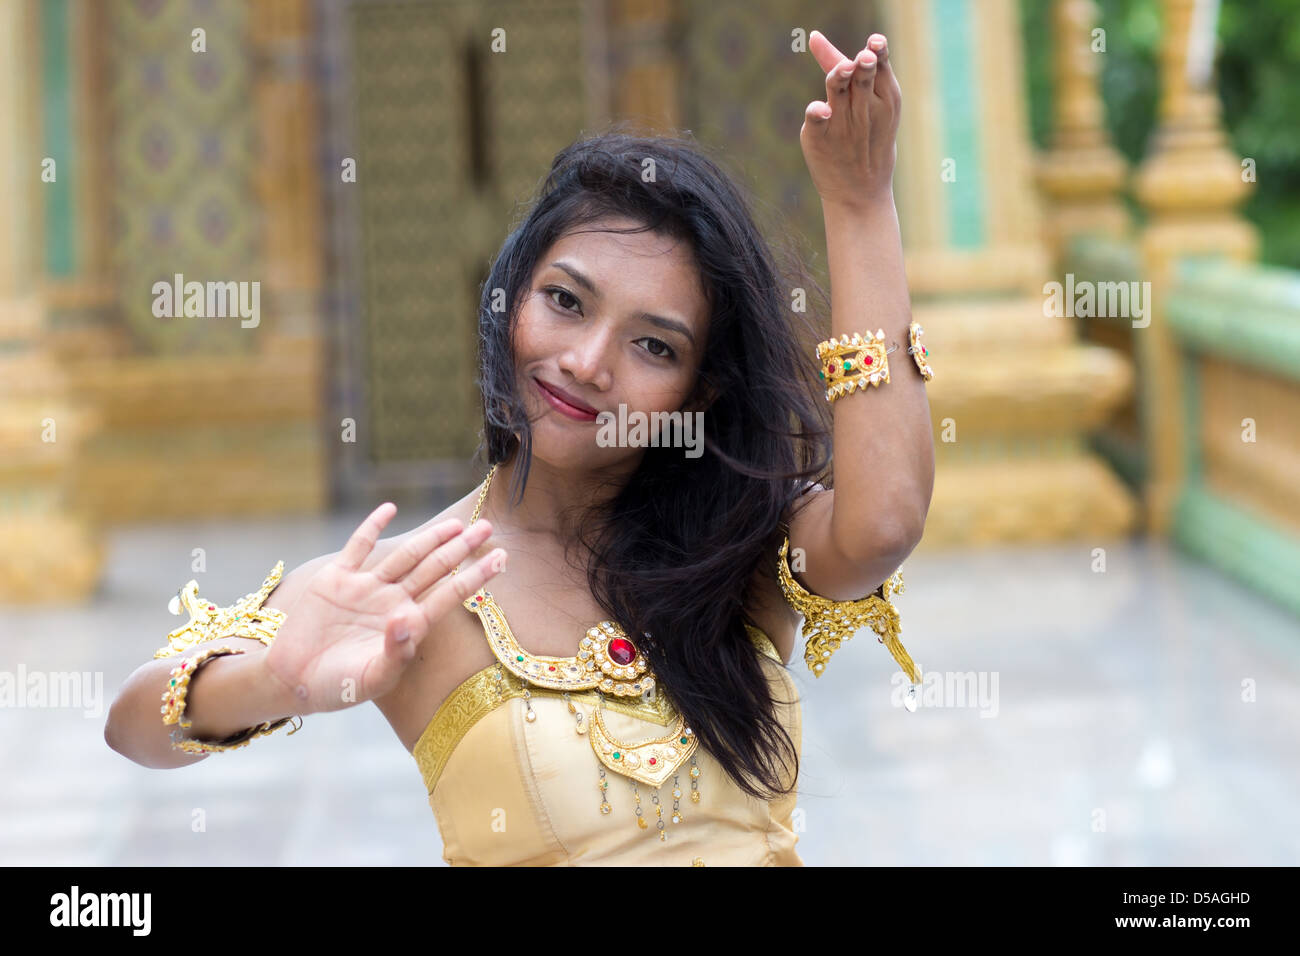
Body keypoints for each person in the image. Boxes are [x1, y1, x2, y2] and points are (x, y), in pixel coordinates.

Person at [105, 30, 934, 866]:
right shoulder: (419, 585)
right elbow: (133, 724)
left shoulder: (736, 554)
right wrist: (273, 685)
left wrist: (860, 203)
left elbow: (882, 524)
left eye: (655, 347)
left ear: (700, 391)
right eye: (567, 302)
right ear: (509, 299)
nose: (586, 363)